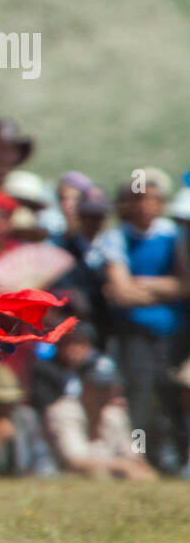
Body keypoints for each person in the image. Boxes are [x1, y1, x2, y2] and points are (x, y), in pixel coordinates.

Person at [97, 170, 190, 473]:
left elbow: (185, 285)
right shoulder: (116, 238)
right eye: (139, 198)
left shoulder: (174, 238)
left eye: (152, 198)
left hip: (173, 334)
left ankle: (176, 457)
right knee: (139, 396)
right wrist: (167, 288)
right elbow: (121, 292)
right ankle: (143, 459)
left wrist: (140, 283)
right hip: (134, 334)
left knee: (171, 395)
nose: (145, 205)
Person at [36, 324, 153, 480]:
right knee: (98, 474)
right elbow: (74, 461)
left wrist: (140, 465)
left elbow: (135, 454)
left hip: (112, 472)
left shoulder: (115, 414)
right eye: (99, 388)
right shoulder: (63, 411)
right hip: (65, 477)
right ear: (85, 387)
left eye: (108, 387)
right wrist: (122, 465)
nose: (105, 393)